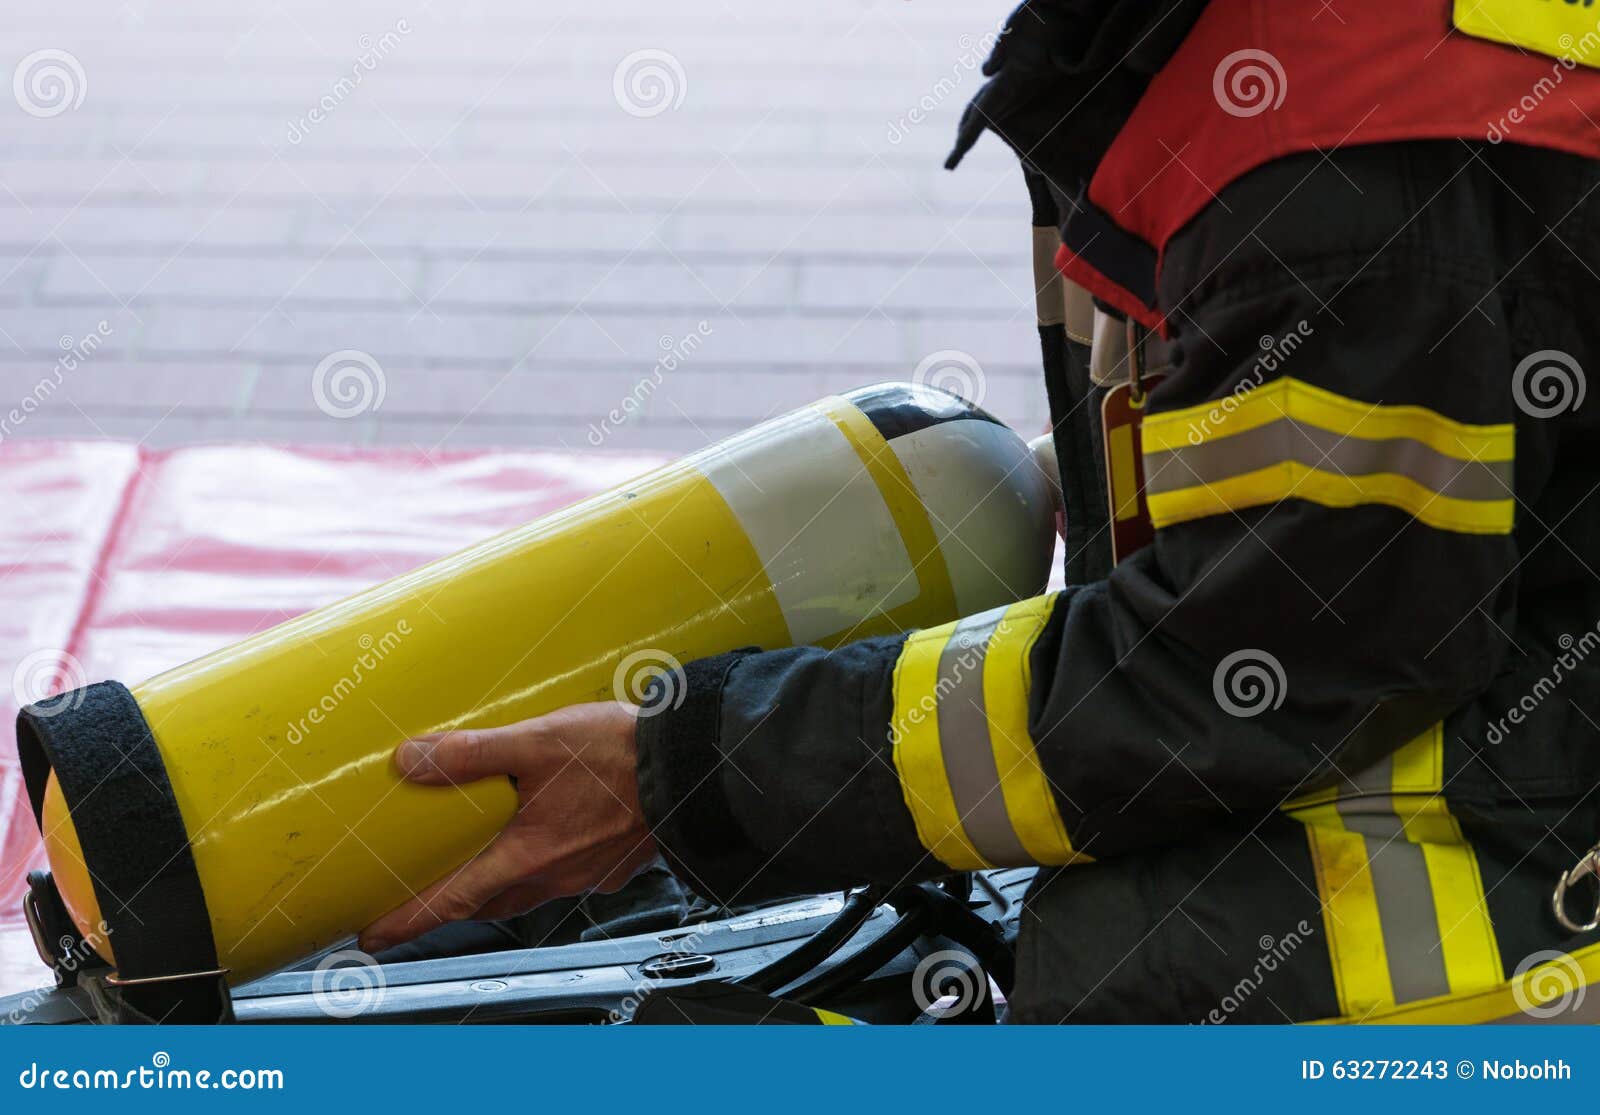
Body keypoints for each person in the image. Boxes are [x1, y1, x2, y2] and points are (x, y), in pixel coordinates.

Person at [359, 0, 1600, 1023]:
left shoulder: (1343, 141)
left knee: (1147, 965)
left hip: (1528, 895)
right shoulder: (1223, 52)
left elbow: (1249, 674)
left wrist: (692, 772)